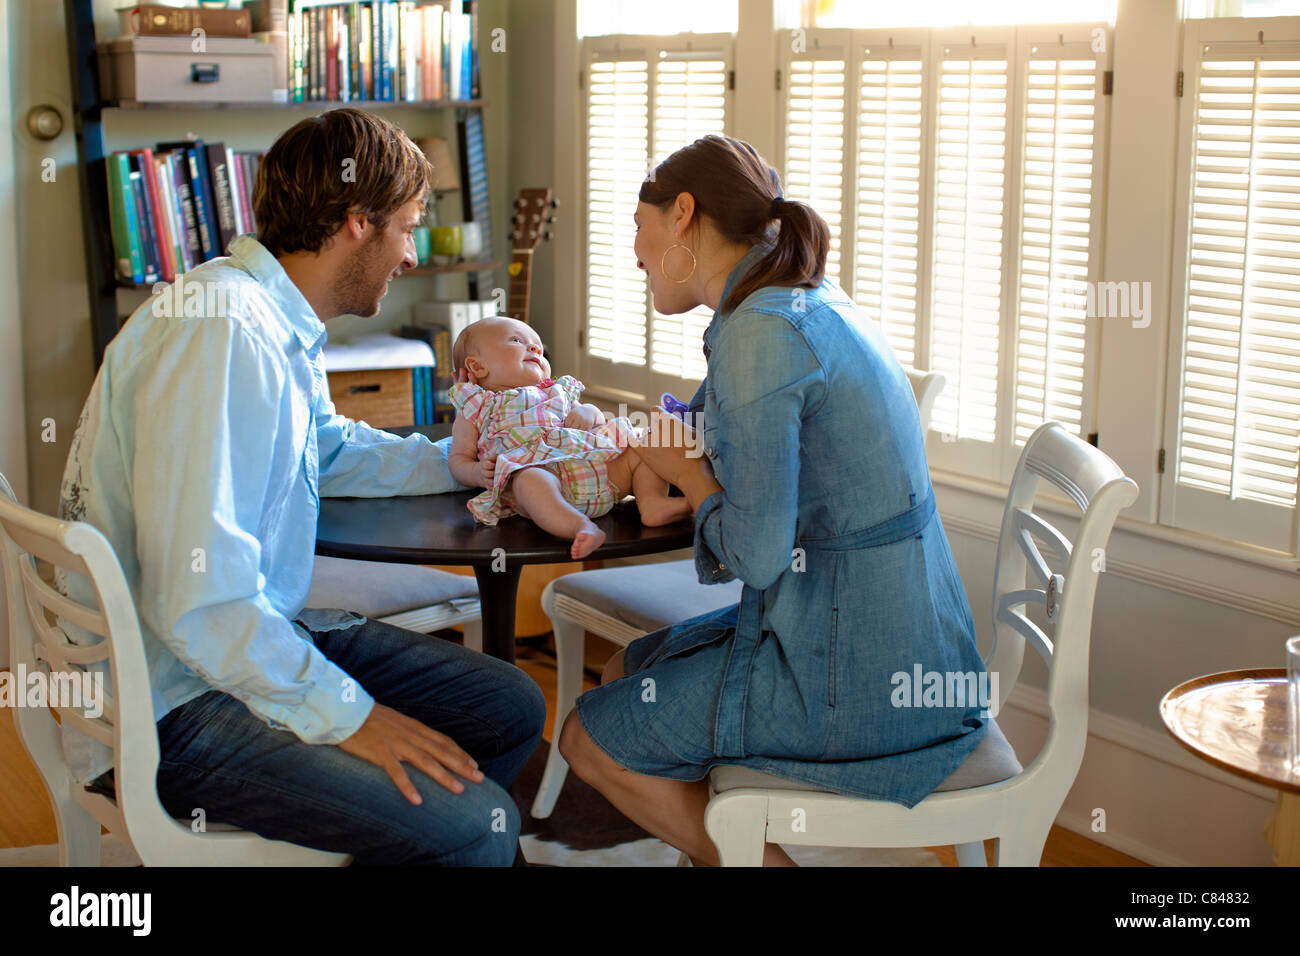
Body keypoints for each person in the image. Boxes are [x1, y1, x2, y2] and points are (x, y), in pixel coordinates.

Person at [56, 108, 545, 866]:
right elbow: (201, 600)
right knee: (473, 825)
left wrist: (449, 462)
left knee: (508, 705)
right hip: (170, 701)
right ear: (357, 222)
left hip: (216, 649)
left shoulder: (264, 314)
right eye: (407, 228)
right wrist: (347, 716)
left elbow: (324, 448)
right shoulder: (222, 335)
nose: (411, 256)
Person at [558, 134, 990, 867]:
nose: (633, 249)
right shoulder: (787, 298)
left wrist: (692, 481)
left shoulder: (763, 334)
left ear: (684, 214)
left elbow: (756, 556)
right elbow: (704, 433)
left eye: (639, 224)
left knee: (584, 738)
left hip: (859, 675)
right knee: (624, 672)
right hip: (906, 642)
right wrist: (659, 456)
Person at [447, 316, 691, 559]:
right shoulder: (478, 405)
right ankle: (580, 527)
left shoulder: (558, 391)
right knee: (527, 480)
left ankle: (651, 502)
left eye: (537, 346)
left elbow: (596, 419)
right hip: (546, 481)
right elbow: (459, 457)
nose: (534, 348)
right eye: (516, 340)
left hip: (599, 473)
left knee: (641, 444)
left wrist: (587, 412)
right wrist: (476, 473)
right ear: (477, 367)